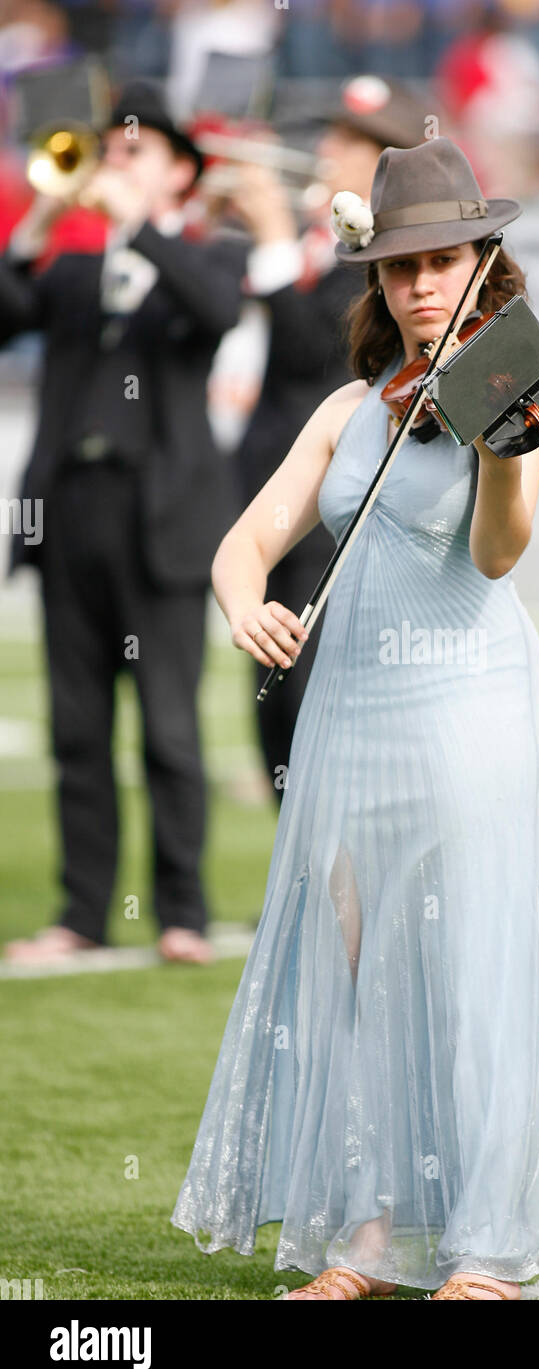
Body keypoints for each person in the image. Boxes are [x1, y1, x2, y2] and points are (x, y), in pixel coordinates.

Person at [170, 135, 539, 1299]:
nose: (417, 287)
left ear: (480, 267)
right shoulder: (353, 406)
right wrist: (245, 602)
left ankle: (486, 1248)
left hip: (464, 704)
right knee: (358, 975)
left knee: (465, 966)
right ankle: (365, 1233)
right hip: (349, 711)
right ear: (377, 279)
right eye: (399, 269)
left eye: (441, 263)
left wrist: (508, 448)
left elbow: (497, 557)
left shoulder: (514, 384)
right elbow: (246, 542)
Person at [1, 80, 245, 964]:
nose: (115, 162)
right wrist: (37, 220)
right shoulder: (68, 268)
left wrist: (140, 223)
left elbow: (216, 315)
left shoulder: (207, 257)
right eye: (111, 149)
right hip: (70, 514)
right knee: (76, 731)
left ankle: (183, 910)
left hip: (164, 521)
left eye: (137, 150)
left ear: (181, 171)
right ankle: (82, 913)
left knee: (170, 730)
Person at [224, 76, 430, 803]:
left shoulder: (395, 259)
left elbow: (321, 355)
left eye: (345, 141)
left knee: (317, 689)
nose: (323, 152)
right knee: (274, 689)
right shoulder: (320, 237)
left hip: (337, 489)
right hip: (273, 476)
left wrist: (276, 239)